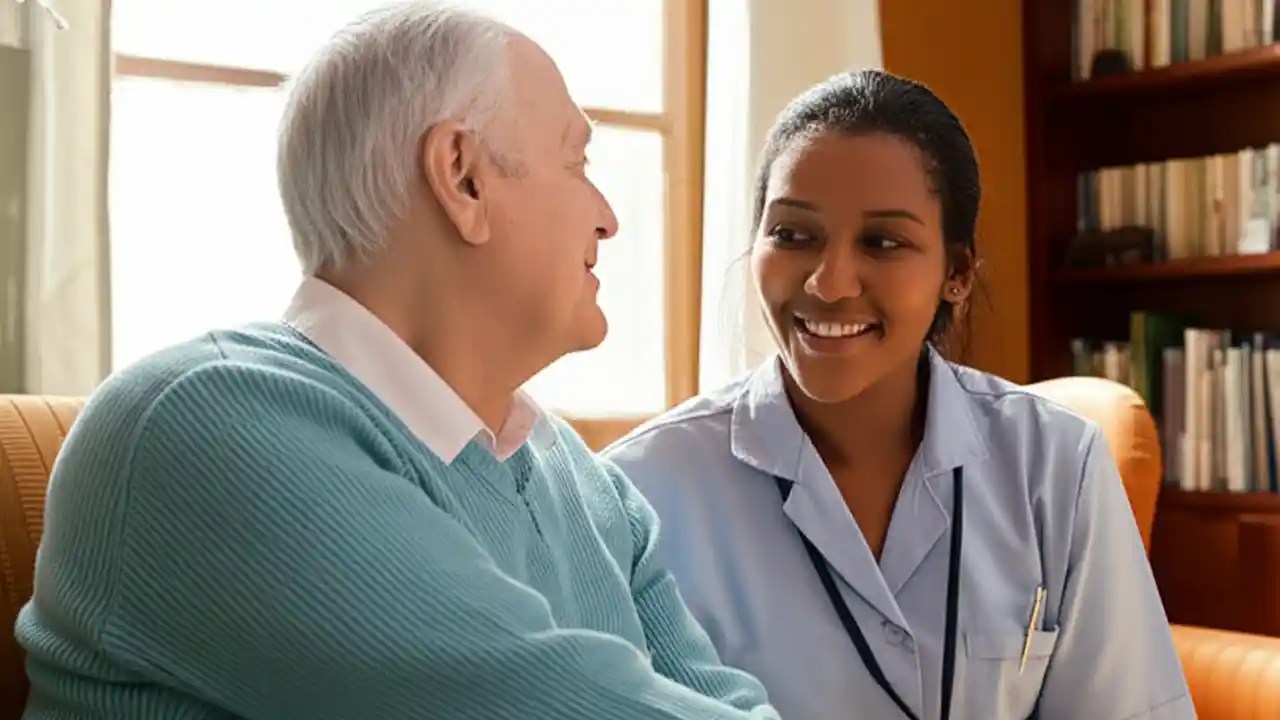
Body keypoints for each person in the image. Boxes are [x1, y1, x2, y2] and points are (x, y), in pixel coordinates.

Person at [15, 3, 780, 718]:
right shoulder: (201, 423)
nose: (609, 218)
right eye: (577, 163)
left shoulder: (589, 488)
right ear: (462, 176)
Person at [604, 69, 1193, 720]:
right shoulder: (642, 491)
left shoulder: (1058, 464)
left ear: (958, 273)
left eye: (883, 242)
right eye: (793, 236)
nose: (829, 284)